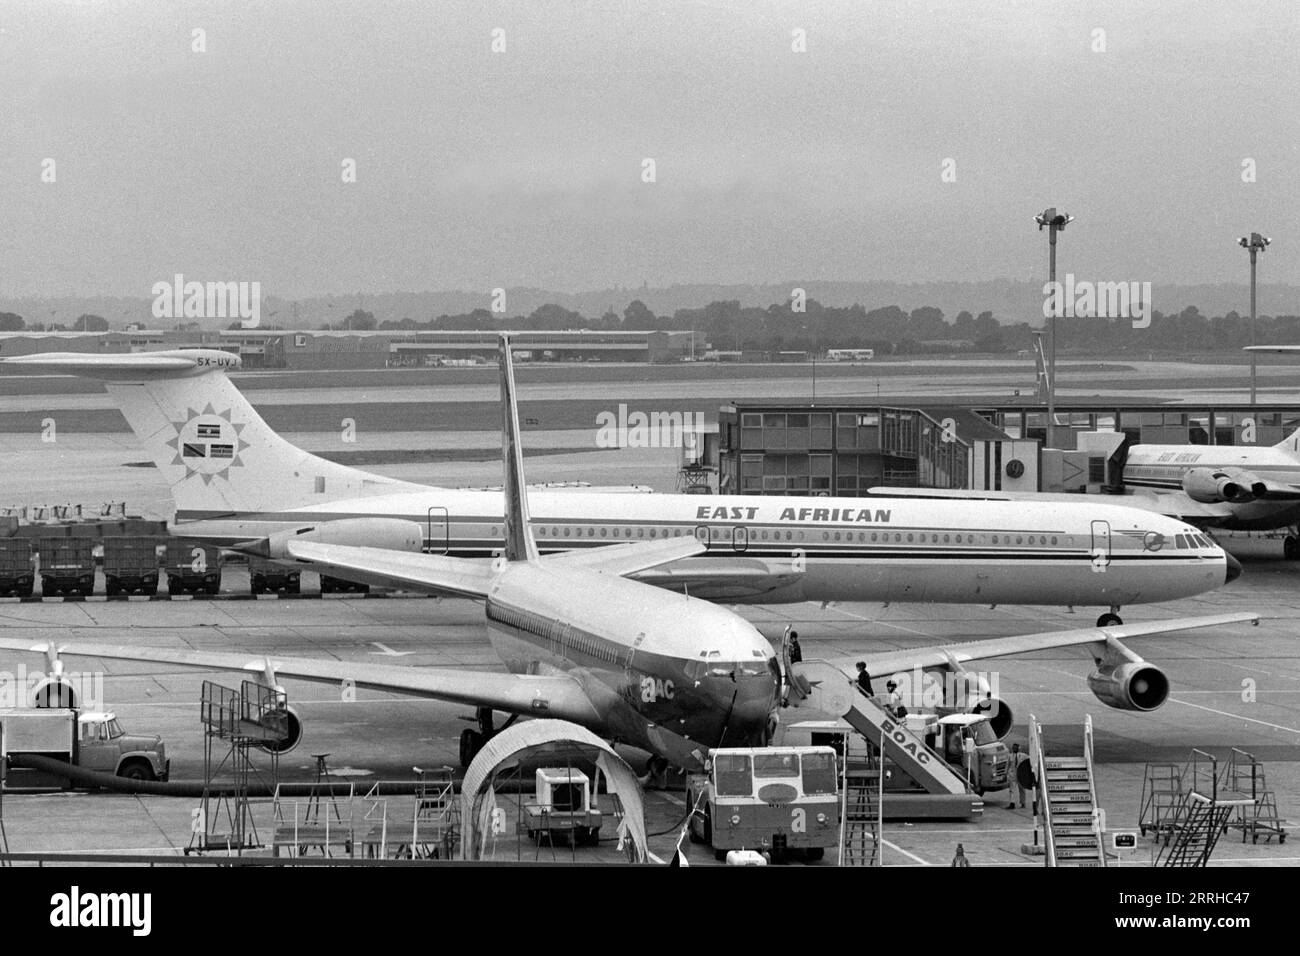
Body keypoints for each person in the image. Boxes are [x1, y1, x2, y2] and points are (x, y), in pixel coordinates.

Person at [1006, 742, 1026, 810]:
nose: (1014, 749)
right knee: (1012, 790)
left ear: (1019, 748)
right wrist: (1006, 774)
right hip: (1013, 775)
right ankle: (1012, 803)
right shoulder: (1010, 756)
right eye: (1013, 748)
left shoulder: (1023, 755)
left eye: (1016, 747)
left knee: (1022, 789)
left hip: (1021, 775)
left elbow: (1028, 761)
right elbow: (1007, 765)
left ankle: (1023, 802)